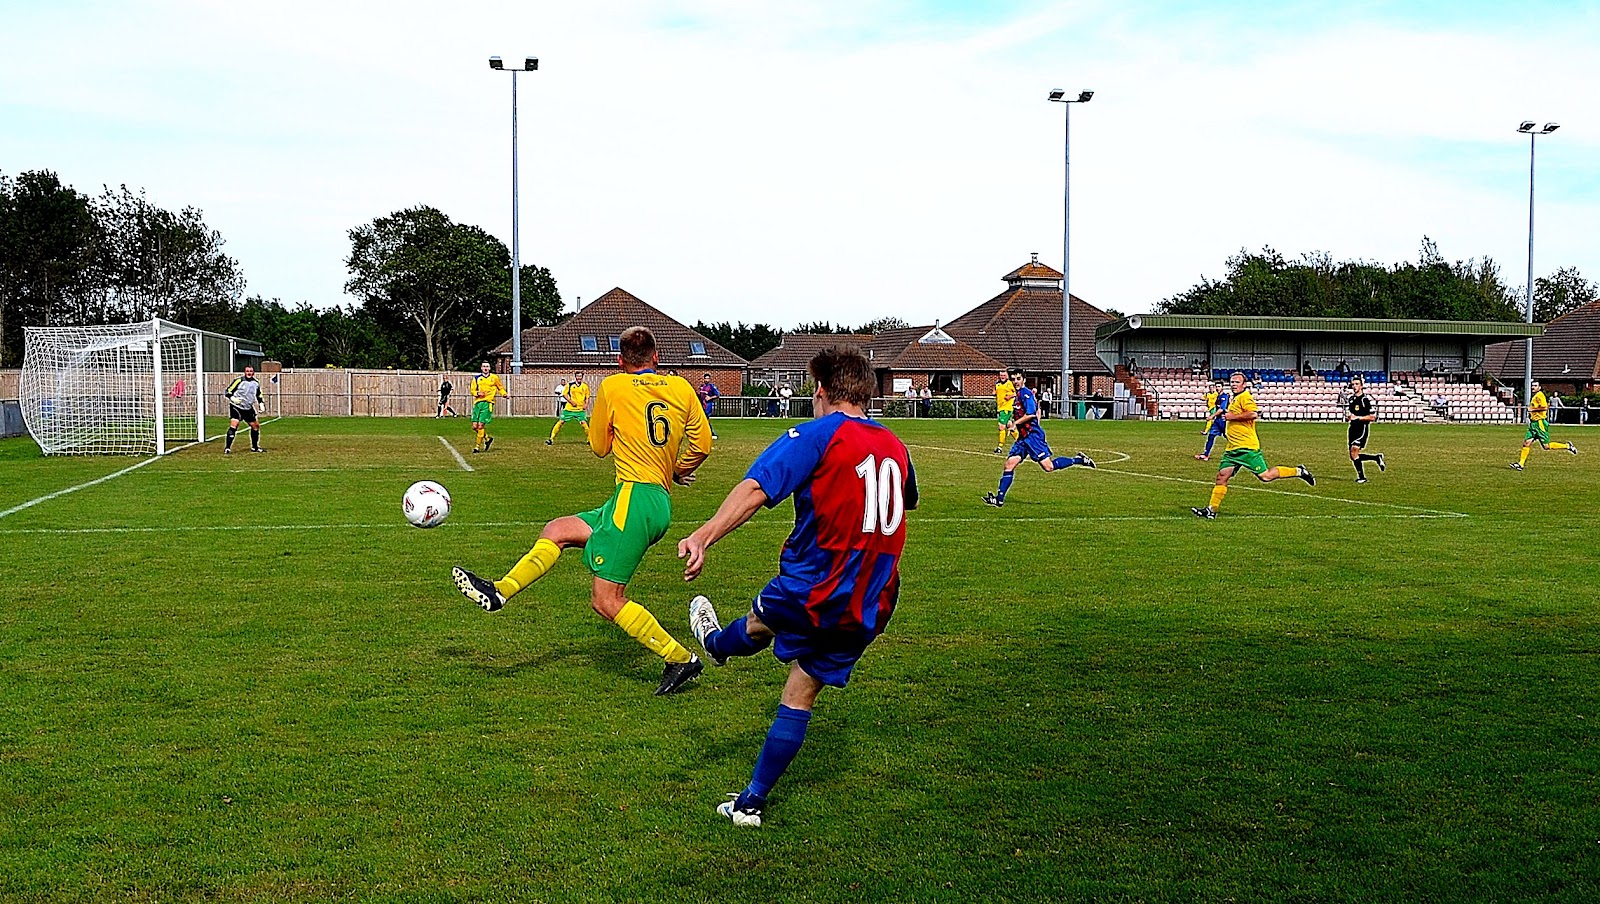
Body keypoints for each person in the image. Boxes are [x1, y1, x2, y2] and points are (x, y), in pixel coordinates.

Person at [677, 345, 918, 827]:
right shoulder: (895, 445)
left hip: (817, 582)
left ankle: (716, 645)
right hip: (874, 598)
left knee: (759, 622)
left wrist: (704, 535)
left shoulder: (818, 434)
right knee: (800, 691)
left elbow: (755, 489)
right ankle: (750, 804)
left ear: (822, 390)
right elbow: (905, 499)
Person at [453, 327, 713, 695]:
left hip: (633, 501)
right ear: (656, 357)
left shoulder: (613, 386)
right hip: (649, 499)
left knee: (606, 600)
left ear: (620, 361)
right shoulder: (682, 388)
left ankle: (680, 658)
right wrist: (675, 469)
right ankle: (500, 592)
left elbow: (599, 447)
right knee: (557, 529)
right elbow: (702, 445)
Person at [1191, 372, 1315, 519]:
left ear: (1244, 385)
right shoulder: (1235, 398)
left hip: (1247, 448)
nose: (1234, 384)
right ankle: (1211, 510)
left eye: (1237, 382)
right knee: (1221, 477)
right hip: (1232, 449)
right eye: (1232, 382)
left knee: (1265, 476)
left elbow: (1253, 414)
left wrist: (1232, 417)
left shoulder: (1245, 397)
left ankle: (1299, 471)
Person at [981, 369, 1094, 507]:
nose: (1016, 381)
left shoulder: (1026, 394)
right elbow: (1036, 410)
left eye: (1018, 379)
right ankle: (999, 500)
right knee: (1009, 464)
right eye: (1013, 379)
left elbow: (1031, 414)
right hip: (1023, 438)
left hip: (1033, 437)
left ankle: (1079, 460)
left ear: (1024, 380)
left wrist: (1015, 424)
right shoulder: (1017, 395)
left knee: (1048, 467)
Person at [1511, 381, 1578, 470]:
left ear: (1539, 387)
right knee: (1526, 443)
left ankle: (1567, 446)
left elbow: (1545, 407)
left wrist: (1532, 409)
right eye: (1532, 385)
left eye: (1535, 386)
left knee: (1546, 446)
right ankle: (1521, 464)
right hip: (1533, 424)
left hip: (1540, 423)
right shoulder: (1535, 396)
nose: (1533, 387)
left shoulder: (1540, 395)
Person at [1344, 374, 1387, 484]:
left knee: (1354, 451)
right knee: (1353, 455)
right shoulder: (1351, 399)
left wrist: (1358, 418)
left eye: (1357, 384)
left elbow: (1372, 417)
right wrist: (1349, 417)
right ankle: (1376, 458)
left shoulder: (1365, 400)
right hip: (1352, 429)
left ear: (1361, 386)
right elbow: (1351, 414)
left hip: (1361, 429)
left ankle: (1362, 477)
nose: (1354, 386)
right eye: (1353, 384)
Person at [223, 365, 266, 454]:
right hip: (236, 407)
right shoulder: (239, 381)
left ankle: (255, 447)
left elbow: (259, 394)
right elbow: (228, 391)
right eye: (247, 371)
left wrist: (261, 403)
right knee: (235, 425)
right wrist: (233, 398)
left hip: (248, 408)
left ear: (253, 373)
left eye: (251, 371)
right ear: (245, 372)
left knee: (255, 426)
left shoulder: (256, 383)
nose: (249, 373)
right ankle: (227, 448)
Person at [468, 362, 508, 453]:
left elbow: (500, 387)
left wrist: (504, 394)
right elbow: (472, 390)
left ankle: (477, 447)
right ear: (481, 368)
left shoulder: (494, 378)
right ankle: (487, 438)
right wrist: (478, 393)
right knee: (474, 427)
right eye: (484, 366)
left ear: (489, 368)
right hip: (478, 403)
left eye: (487, 366)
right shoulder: (477, 378)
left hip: (488, 403)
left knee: (480, 425)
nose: (485, 368)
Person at [547, 371, 590, 445]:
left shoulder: (585, 386)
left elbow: (587, 397)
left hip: (580, 409)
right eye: (578, 376)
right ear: (575, 377)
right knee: (560, 422)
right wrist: (571, 402)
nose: (579, 378)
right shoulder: (570, 385)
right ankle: (551, 439)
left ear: (582, 377)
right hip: (569, 408)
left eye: (580, 376)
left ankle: (589, 440)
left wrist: (586, 404)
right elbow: (564, 394)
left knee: (584, 424)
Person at [1195, 380, 1229, 461]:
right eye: (1216, 386)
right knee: (1211, 436)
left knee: (1229, 437)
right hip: (1218, 420)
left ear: (1222, 387)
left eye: (1219, 386)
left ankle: (1241, 451)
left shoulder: (1224, 396)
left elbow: (1222, 409)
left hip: (1224, 420)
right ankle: (1206, 454)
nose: (1217, 388)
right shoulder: (1217, 396)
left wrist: (1212, 416)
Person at [993, 369, 1017, 453]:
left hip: (1006, 408)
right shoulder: (997, 384)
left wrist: (1010, 396)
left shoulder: (1010, 383)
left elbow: (1016, 393)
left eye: (1004, 375)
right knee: (1010, 426)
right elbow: (995, 392)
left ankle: (1000, 447)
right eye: (1001, 375)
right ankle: (1021, 441)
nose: (1002, 377)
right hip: (1000, 408)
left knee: (1001, 426)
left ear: (1007, 376)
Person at [697, 373, 721, 441]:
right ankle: (705, 432)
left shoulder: (711, 386)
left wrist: (710, 398)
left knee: (706, 418)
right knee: (702, 419)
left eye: (708, 378)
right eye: (705, 378)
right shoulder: (702, 386)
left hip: (708, 405)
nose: (706, 380)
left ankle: (712, 433)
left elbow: (717, 395)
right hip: (702, 405)